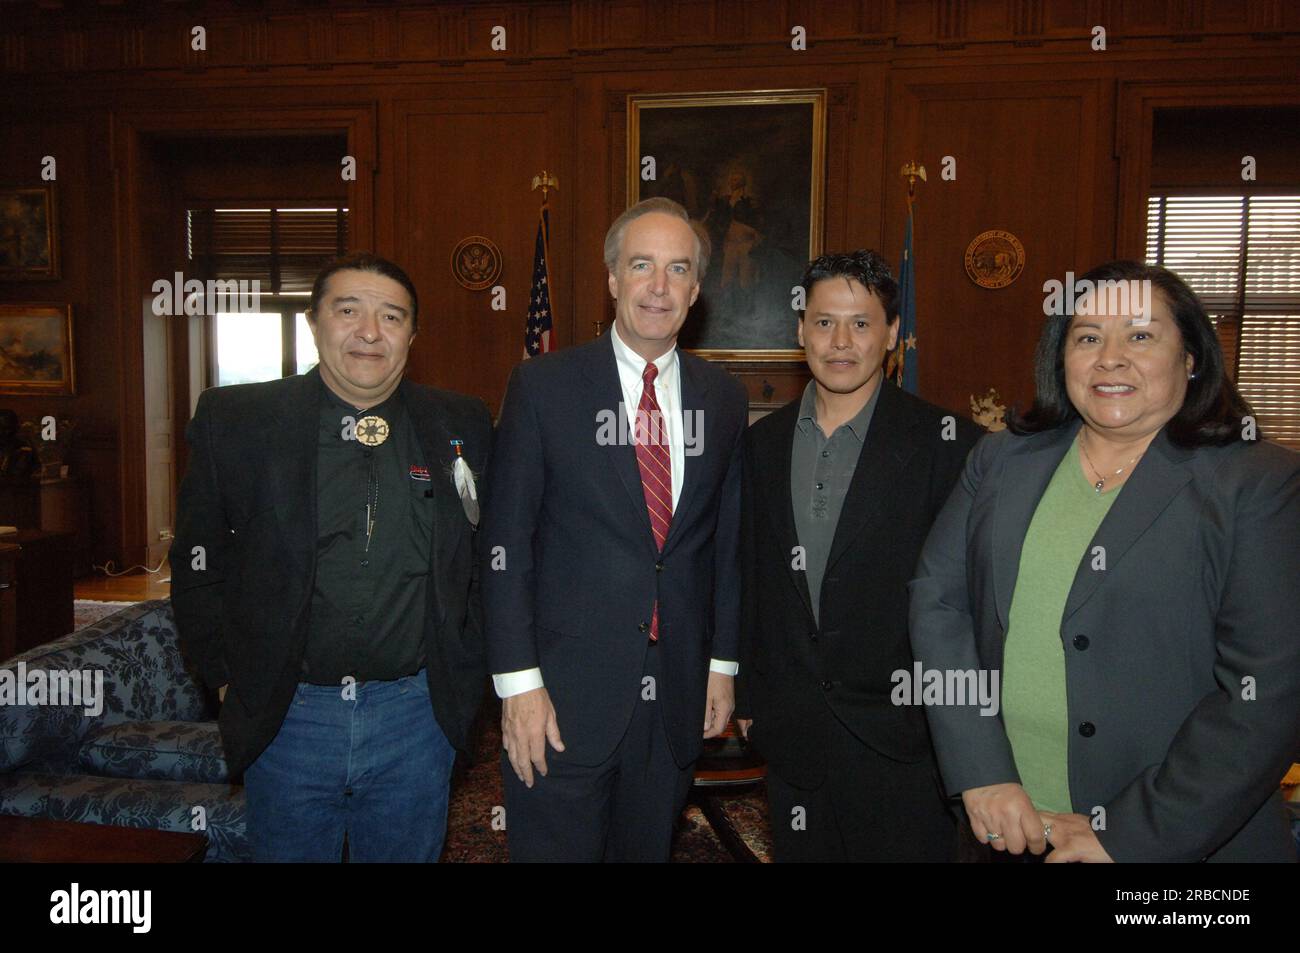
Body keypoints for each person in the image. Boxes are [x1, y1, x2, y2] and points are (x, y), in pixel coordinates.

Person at [910, 260, 1300, 862]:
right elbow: (939, 605)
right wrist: (979, 771)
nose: (1110, 359)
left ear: (1191, 358)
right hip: (1006, 828)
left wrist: (1130, 835)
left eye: (1140, 336)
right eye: (1088, 337)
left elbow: (1265, 694)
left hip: (1179, 845)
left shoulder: (1257, 483)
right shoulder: (1002, 459)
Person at [171, 253, 492, 862]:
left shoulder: (463, 422)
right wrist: (227, 677)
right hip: (289, 717)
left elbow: (483, 561)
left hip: (416, 716)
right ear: (314, 323)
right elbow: (196, 561)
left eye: (391, 316)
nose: (370, 331)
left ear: (412, 336)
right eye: (349, 311)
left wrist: (466, 675)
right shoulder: (237, 420)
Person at [483, 197, 748, 861]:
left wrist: (721, 664)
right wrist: (518, 684)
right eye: (641, 265)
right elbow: (505, 545)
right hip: (561, 695)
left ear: (695, 289)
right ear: (612, 279)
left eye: (677, 268)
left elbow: (725, 543)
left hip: (677, 693)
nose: (659, 286)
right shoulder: (543, 386)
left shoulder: (724, 398)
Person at [735, 250, 981, 861]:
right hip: (793, 738)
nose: (841, 342)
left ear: (892, 333)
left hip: (906, 743)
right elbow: (749, 581)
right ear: (801, 330)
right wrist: (750, 699)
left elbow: (971, 602)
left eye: (861, 323)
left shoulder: (950, 445)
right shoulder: (758, 447)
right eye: (824, 322)